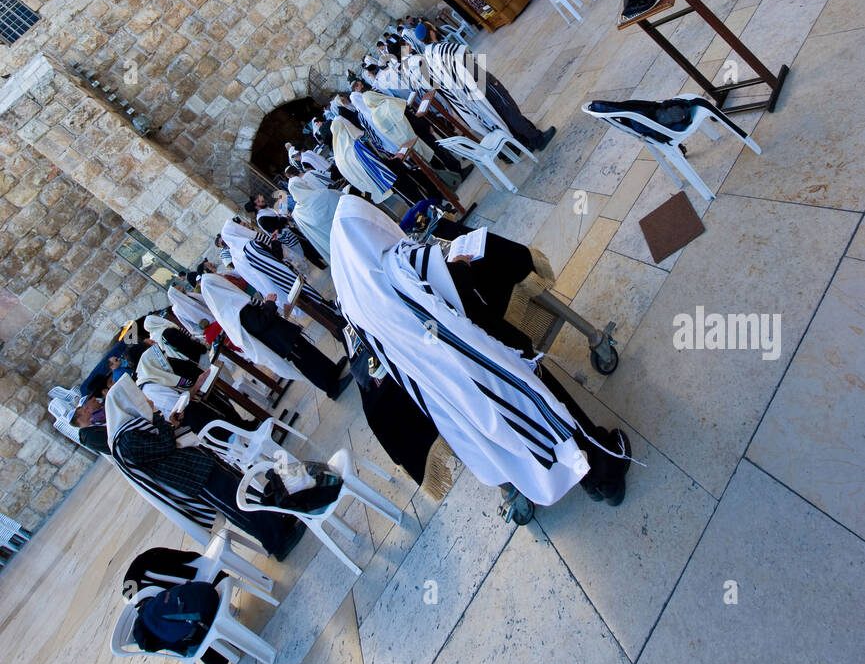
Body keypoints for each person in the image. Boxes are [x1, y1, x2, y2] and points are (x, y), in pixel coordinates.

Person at [329, 195, 631, 508]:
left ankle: (586, 481)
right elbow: (455, 291)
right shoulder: (399, 263)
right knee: (547, 406)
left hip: (451, 392)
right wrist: (461, 263)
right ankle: (605, 470)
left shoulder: (356, 305)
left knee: (521, 431)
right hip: (486, 362)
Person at [105, 375, 303, 559]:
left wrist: (169, 422)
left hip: (198, 462)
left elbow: (161, 440)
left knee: (243, 490)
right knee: (236, 505)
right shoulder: (126, 440)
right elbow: (163, 444)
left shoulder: (133, 427)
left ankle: (279, 523)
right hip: (192, 475)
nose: (142, 399)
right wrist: (157, 417)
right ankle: (276, 542)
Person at [402, 30, 556, 153]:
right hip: (479, 84)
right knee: (508, 109)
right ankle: (537, 139)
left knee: (501, 115)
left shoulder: (428, 55)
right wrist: (489, 79)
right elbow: (472, 64)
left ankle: (524, 140)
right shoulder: (445, 48)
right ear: (432, 32)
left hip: (468, 94)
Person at [200, 273, 350, 399]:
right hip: (278, 339)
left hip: (280, 333)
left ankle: (332, 371)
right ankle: (332, 388)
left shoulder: (233, 302)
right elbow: (259, 324)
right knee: (305, 361)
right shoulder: (233, 308)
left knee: (308, 351)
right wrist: (269, 304)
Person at [218, 217, 346, 339]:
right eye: (242, 227)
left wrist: (273, 244)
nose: (246, 227)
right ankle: (340, 327)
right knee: (316, 304)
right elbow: (274, 262)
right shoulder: (248, 247)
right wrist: (275, 243)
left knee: (315, 310)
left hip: (277, 288)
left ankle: (337, 327)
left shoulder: (236, 255)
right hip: (286, 283)